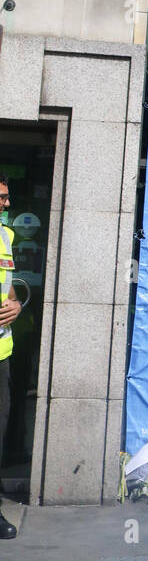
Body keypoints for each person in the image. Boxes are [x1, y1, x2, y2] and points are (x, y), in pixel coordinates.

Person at [0, 175, 22, 540]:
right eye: (0, 197)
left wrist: (17, 304)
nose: (5, 204)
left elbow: (10, 283)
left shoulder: (6, 235)